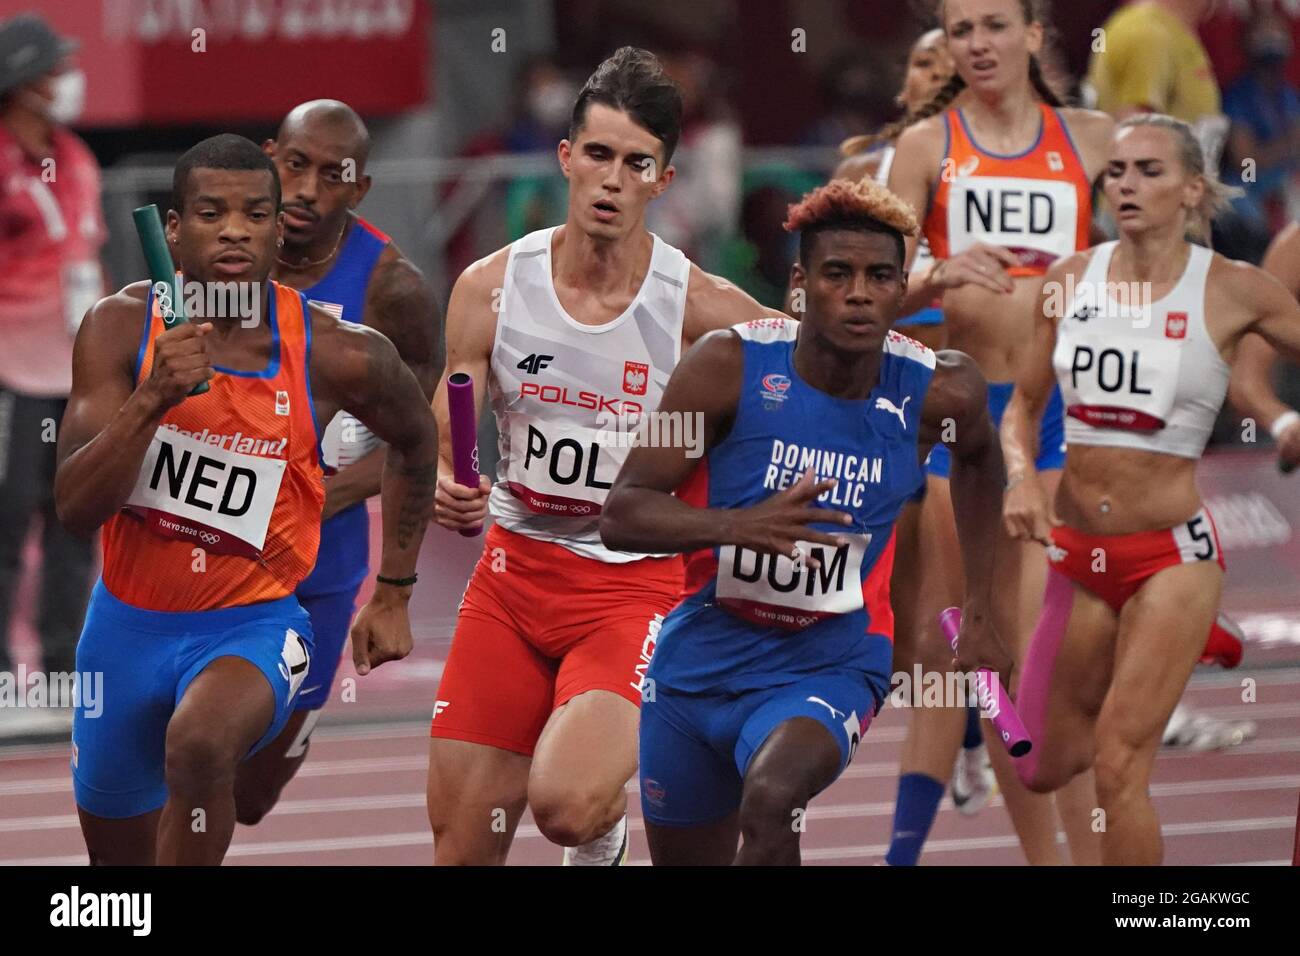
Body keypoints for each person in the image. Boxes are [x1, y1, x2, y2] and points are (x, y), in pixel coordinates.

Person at [426, 47, 784, 866]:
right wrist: (453, 478)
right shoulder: (489, 287)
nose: (612, 180)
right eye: (597, 155)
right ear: (566, 159)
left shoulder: (703, 308)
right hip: (513, 582)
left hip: (635, 590)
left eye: (636, 162)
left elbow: (815, 372)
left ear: (663, 178)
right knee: (460, 849)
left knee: (565, 805)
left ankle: (604, 834)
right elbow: (451, 414)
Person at [599, 176, 1012, 865]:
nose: (859, 293)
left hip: (830, 666)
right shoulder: (725, 367)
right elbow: (623, 512)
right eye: (837, 274)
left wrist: (981, 606)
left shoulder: (941, 389)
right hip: (698, 667)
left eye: (880, 276)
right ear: (801, 282)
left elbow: (980, 462)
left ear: (902, 284)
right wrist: (739, 527)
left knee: (772, 795)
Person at [57, 134, 437, 865]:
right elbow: (75, 506)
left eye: (255, 215)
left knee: (200, 746)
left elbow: (419, 442)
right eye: (211, 213)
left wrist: (393, 589)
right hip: (125, 632)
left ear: (276, 231)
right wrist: (153, 399)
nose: (235, 229)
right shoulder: (117, 327)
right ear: (173, 230)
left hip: (254, 625)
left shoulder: (335, 350)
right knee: (117, 877)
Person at [1001, 113, 1300, 865]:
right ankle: (1200, 641)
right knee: (1040, 762)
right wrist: (1020, 480)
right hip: (1081, 554)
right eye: (1117, 171)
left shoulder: (1235, 291)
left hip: (1171, 557)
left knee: (1116, 767)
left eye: (1149, 172)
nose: (1126, 185)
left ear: (1193, 189)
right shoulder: (1068, 281)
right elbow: (1024, 406)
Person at [885, 0, 1115, 866]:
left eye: (993, 25)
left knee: (1059, 673)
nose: (976, 44)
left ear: (1033, 33)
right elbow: (868, 286)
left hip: (1064, 417)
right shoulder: (926, 148)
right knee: (986, 657)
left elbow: (1160, 263)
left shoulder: (1092, 142)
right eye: (960, 29)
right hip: (967, 427)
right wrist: (934, 273)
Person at [232, 100, 441, 825]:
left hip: (319, 559)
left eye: (333, 176)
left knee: (252, 796)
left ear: (360, 189)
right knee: (185, 753)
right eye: (295, 166)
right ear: (269, 157)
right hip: (211, 552)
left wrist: (322, 494)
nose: (309, 191)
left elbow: (419, 433)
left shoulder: (393, 288)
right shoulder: (223, 246)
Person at [837, 28, 1003, 816]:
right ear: (905, 80)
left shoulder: (982, 168)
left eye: (949, 61)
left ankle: (972, 726)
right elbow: (810, 297)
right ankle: (960, 726)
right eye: (922, 60)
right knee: (907, 632)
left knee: (950, 594)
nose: (938, 71)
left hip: (953, 395)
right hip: (874, 396)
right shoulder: (859, 172)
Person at [0, 14, 104, 682]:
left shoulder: (78, 158)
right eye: (54, 70)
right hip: (9, 373)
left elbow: (88, 259)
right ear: (21, 84)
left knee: (76, 516)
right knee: (5, 524)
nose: (68, 81)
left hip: (80, 374)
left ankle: (66, 664)